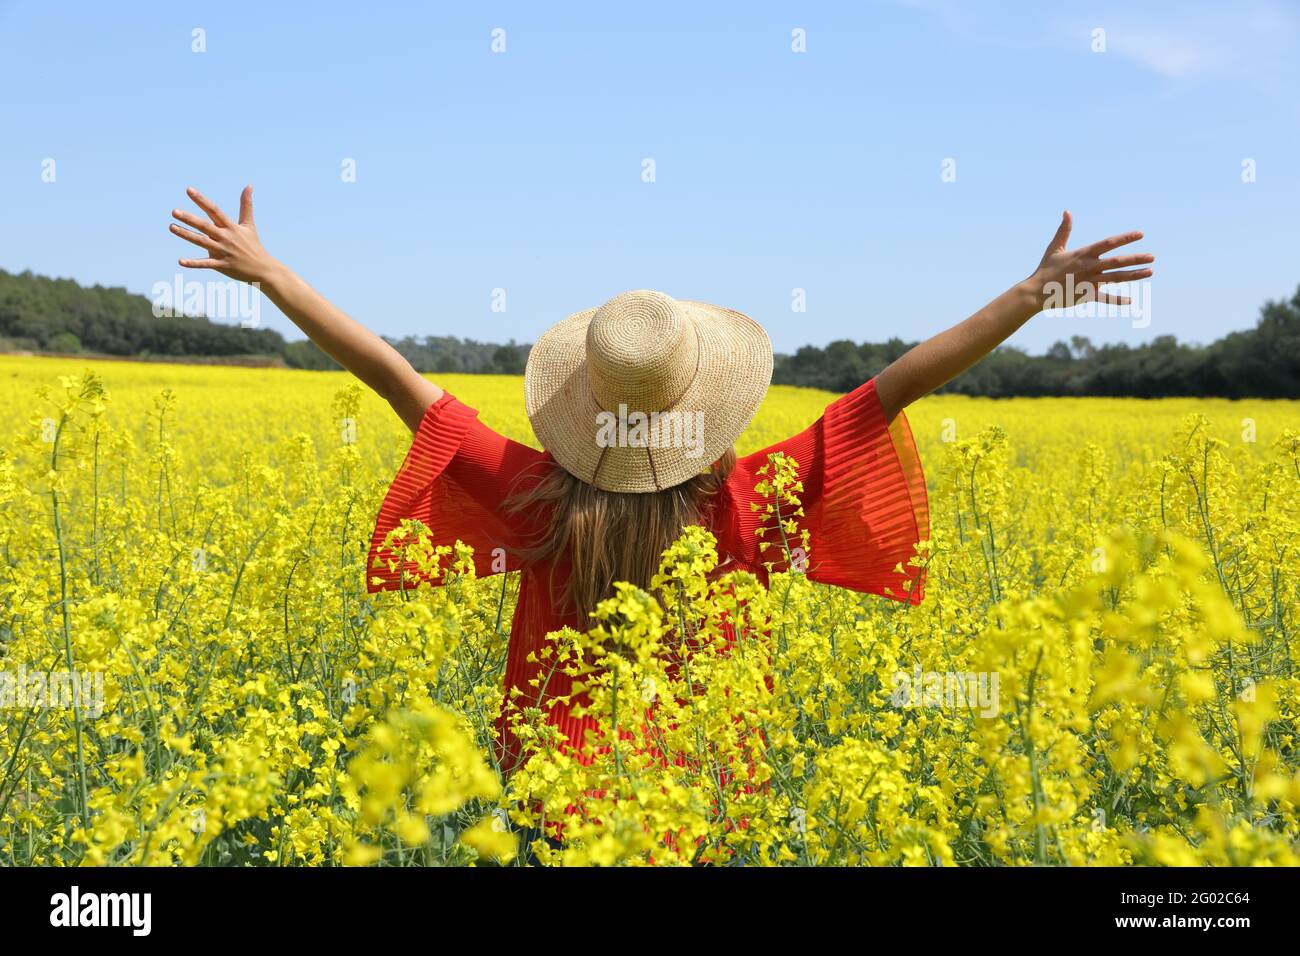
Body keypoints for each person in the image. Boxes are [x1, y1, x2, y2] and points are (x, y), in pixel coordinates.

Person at [170, 186, 1153, 778]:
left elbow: (389, 371)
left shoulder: (529, 492)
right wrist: (1031, 295)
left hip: (551, 791)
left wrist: (269, 274)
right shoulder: (749, 501)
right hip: (706, 794)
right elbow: (892, 389)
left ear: (581, 405)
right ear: (707, 403)